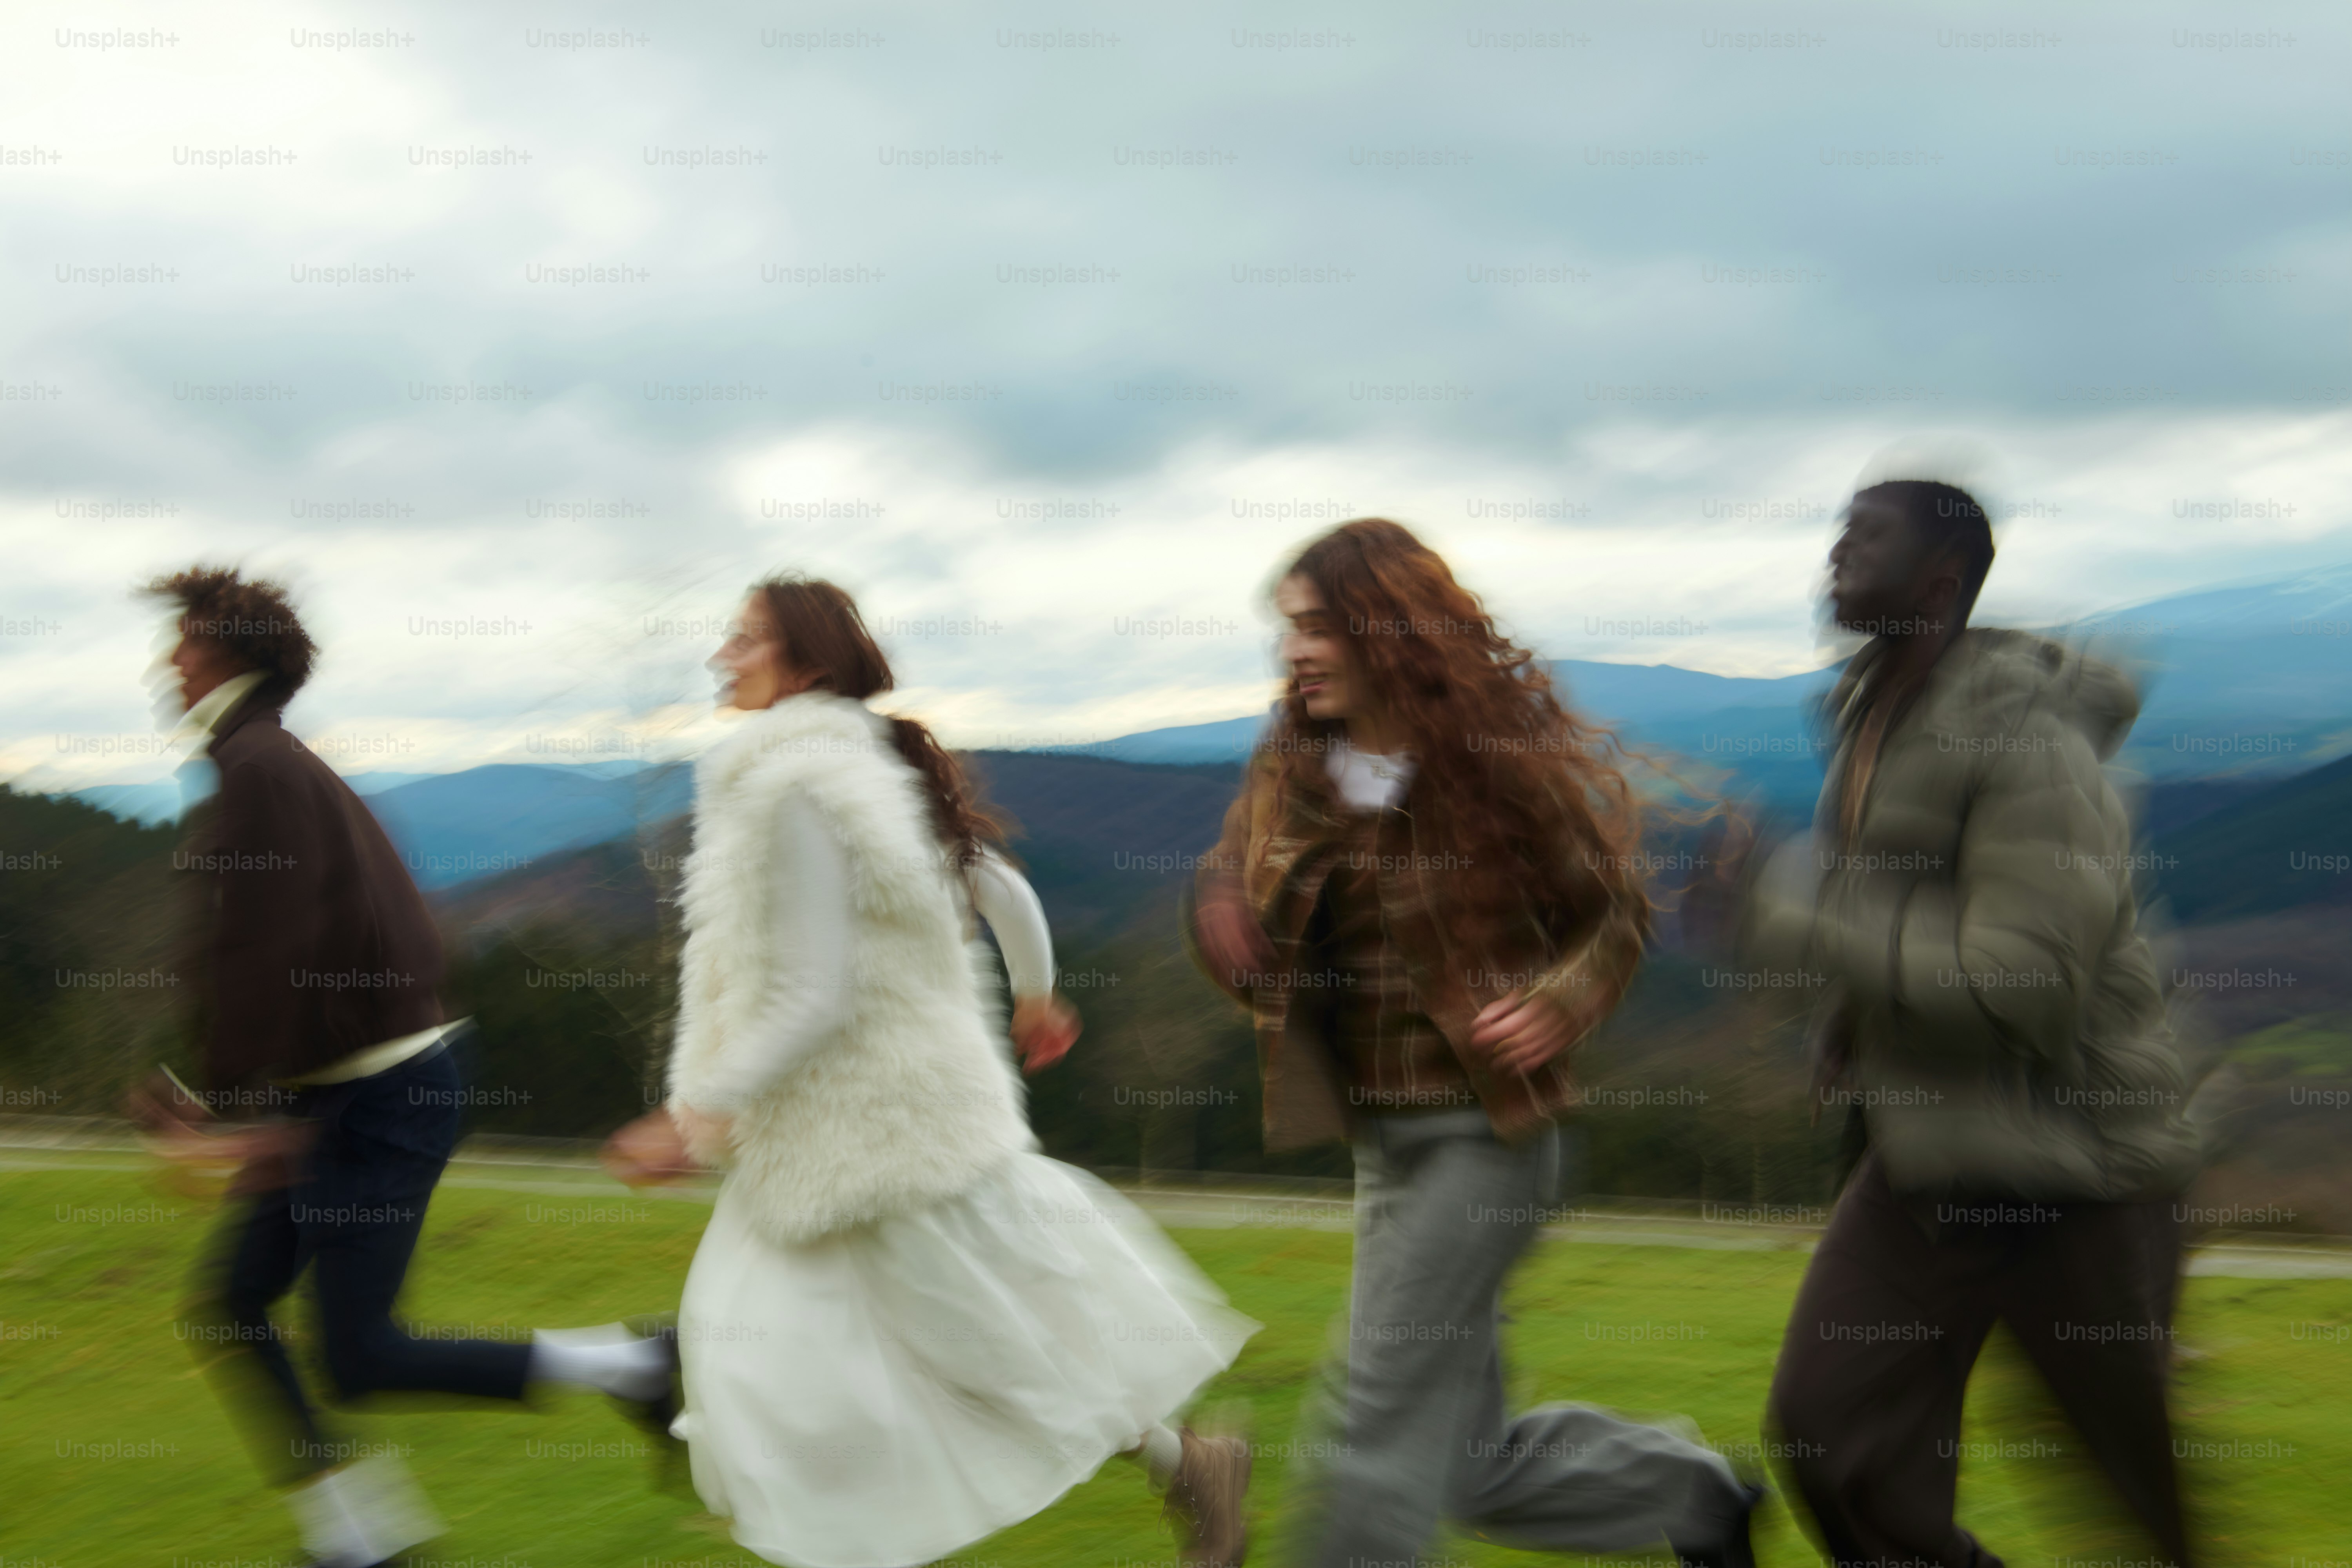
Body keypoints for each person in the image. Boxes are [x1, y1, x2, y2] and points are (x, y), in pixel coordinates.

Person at [599, 574, 1258, 1568]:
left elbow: (812, 995)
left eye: (743, 640)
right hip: (838, 1143)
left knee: (969, 1357)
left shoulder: (800, 788)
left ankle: (1189, 1463)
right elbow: (997, 889)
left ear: (809, 664)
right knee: (786, 1358)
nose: (719, 657)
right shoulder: (842, 776)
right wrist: (1036, 994)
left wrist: (693, 1111)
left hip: (875, 1140)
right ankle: (1179, 1464)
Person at [1184, 518, 1763, 1568]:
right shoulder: (1294, 767)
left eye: (1318, 629)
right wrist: (1220, 914)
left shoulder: (1490, 767)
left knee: (1369, 1422)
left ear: (1385, 630)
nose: (1295, 653)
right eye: (1288, 632)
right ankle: (1699, 1498)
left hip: (1486, 1143)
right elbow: (1237, 883)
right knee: (1464, 1463)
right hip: (1383, 1149)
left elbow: (1613, 914)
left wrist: (1564, 999)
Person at [132, 567, 685, 1568]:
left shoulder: (260, 766)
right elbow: (270, 948)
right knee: (237, 1305)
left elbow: (268, 949)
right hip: (351, 1090)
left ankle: (637, 1361)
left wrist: (232, 1102)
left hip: (378, 1094)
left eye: (181, 641)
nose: (166, 661)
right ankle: (359, 1538)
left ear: (224, 652)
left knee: (362, 1351)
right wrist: (263, 1097)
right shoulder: (271, 761)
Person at [1736, 479, 2204, 1566]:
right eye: (1837, 530)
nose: (1837, 553)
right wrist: (1851, 1026)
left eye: (1869, 535)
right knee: (1829, 1439)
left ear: (1940, 583)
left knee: (2140, 1507)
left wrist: (1794, 918)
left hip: (2077, 1176)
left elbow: (2025, 984)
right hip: (1927, 1158)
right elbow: (1907, 902)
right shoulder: (1872, 714)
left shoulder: (2031, 741)